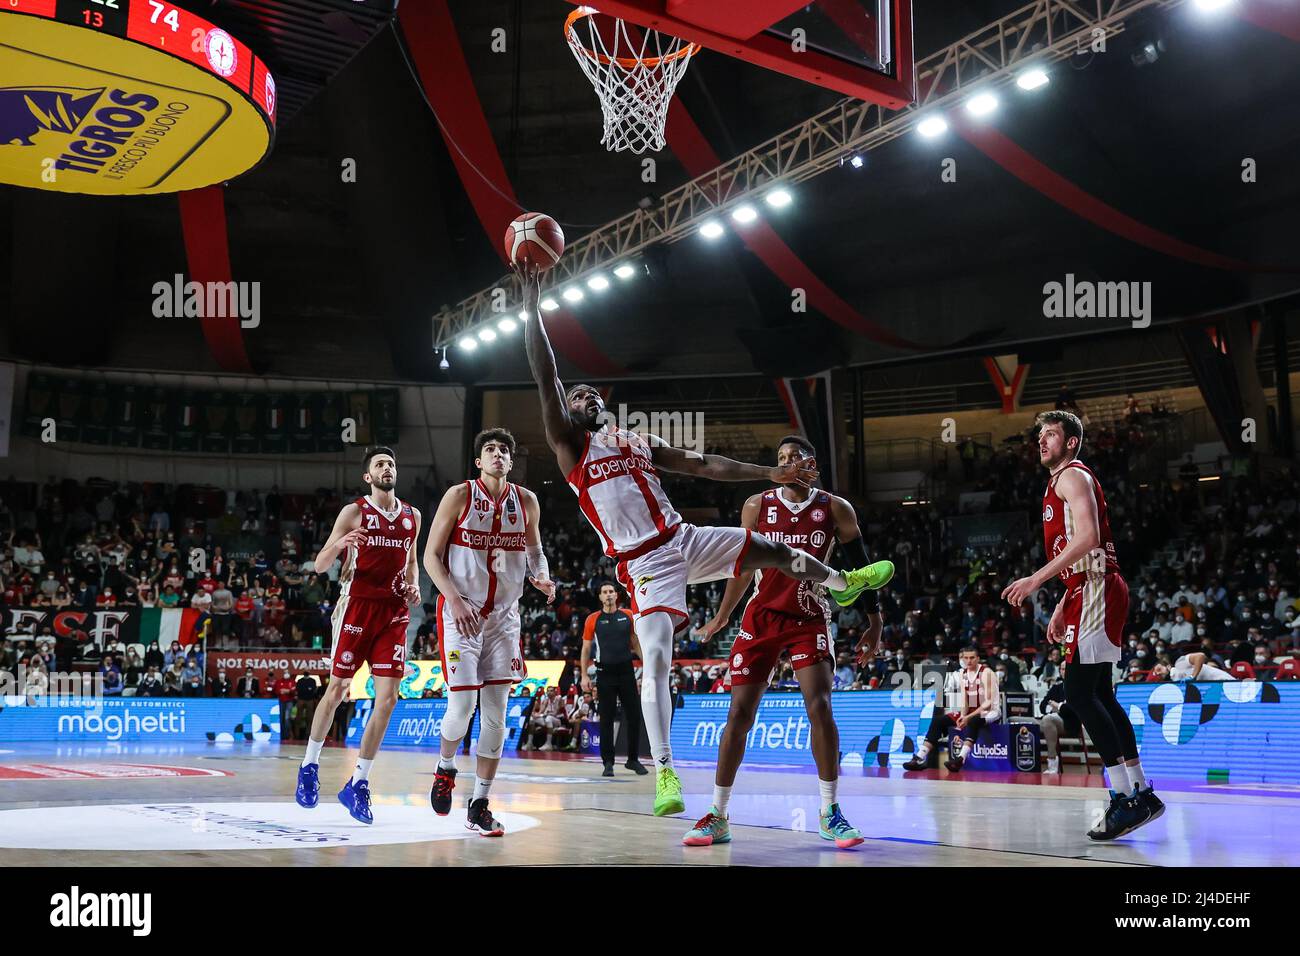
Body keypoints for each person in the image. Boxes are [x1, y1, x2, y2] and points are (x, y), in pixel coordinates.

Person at [521, 268, 891, 817]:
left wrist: (766, 473)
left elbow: (704, 464)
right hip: (644, 562)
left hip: (685, 538)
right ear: (567, 411)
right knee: (657, 657)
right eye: (575, 396)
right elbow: (545, 372)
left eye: (590, 393)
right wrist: (532, 304)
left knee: (774, 550)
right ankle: (665, 773)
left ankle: (842, 582)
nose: (584, 397)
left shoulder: (636, 440)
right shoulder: (570, 448)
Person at [684, 436, 889, 848]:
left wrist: (875, 621)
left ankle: (830, 812)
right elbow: (742, 566)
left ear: (812, 463)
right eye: (780, 457)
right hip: (761, 616)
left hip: (808, 615)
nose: (787, 461)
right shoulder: (756, 505)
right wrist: (723, 616)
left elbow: (862, 569)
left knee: (820, 705)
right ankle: (718, 815)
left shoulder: (836, 508)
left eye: (795, 456)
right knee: (739, 714)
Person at [1001, 409, 1163, 840]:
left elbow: (1089, 538)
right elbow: (1082, 550)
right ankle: (1140, 791)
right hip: (1086, 588)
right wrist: (1063, 600)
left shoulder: (1072, 476)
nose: (1041, 441)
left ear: (1071, 442)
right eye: (1039, 435)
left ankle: (1125, 797)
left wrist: (1036, 580)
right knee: (1100, 694)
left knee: (1077, 694)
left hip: (1095, 586)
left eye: (1051, 434)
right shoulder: (1059, 481)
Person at [424, 429, 555, 836]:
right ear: (479, 462)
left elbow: (535, 551)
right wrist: (454, 600)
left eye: (504, 450)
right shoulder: (459, 496)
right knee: (462, 709)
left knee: (496, 717)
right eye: (490, 450)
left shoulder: (527, 501)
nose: (498, 454)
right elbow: (430, 556)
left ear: (511, 462)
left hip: (503, 619)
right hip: (461, 613)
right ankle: (446, 767)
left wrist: (542, 576)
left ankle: (479, 803)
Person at [296, 446, 422, 825]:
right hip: (357, 607)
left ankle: (359, 783)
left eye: (391, 463)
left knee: (389, 697)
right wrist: (339, 544)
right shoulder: (354, 512)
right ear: (368, 477)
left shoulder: (412, 516)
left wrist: (414, 586)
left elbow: (411, 562)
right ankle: (309, 766)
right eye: (380, 464)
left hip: (393, 612)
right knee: (337, 689)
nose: (387, 468)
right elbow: (320, 565)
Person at [579, 581, 647, 776]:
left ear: (616, 595)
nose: (608, 594)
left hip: (626, 671)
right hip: (605, 673)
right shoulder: (593, 619)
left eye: (611, 591)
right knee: (606, 718)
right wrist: (584, 675)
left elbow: (635, 642)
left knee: (634, 716)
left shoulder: (628, 616)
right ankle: (608, 762)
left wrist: (647, 664)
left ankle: (632, 760)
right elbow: (586, 648)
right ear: (600, 597)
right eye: (604, 592)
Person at [903, 646, 1000, 772]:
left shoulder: (987, 673)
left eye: (972, 658)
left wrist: (968, 717)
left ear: (978, 659)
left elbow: (988, 703)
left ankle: (960, 759)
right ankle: (919, 757)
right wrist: (963, 715)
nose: (969, 661)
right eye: (966, 658)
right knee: (938, 721)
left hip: (990, 711)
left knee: (973, 720)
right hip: (971, 711)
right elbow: (964, 699)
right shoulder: (962, 673)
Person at [1038, 678, 1083, 774]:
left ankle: (1052, 762)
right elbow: (1042, 705)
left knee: (1047, 720)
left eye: (1065, 670)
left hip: (1070, 723)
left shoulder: (1078, 687)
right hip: (1051, 717)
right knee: (1030, 723)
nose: (1064, 671)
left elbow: (1073, 710)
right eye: (1062, 670)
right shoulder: (1056, 688)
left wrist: (1058, 706)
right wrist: (1054, 709)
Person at [1169, 651, 1235, 682]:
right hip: (1215, 685)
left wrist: (1192, 676)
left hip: (1227, 681)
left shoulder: (1179, 663)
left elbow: (1200, 656)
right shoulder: (1176, 680)